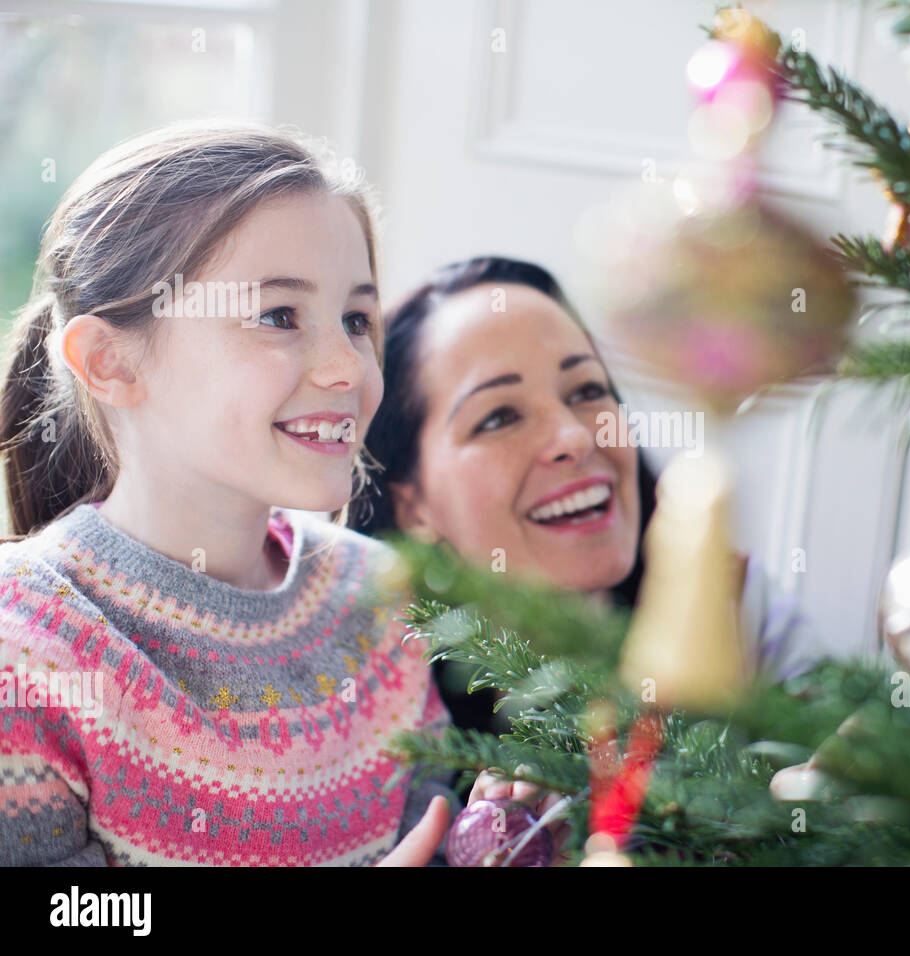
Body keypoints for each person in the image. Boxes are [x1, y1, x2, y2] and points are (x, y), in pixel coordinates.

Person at [0, 121, 454, 866]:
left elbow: (426, 842)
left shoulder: (379, 594)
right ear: (109, 362)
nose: (349, 368)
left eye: (356, 320)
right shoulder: (25, 652)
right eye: (279, 316)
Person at [352, 257, 811, 736]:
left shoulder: (739, 607)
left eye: (588, 390)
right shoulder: (377, 715)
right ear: (413, 506)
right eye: (499, 417)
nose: (574, 437)